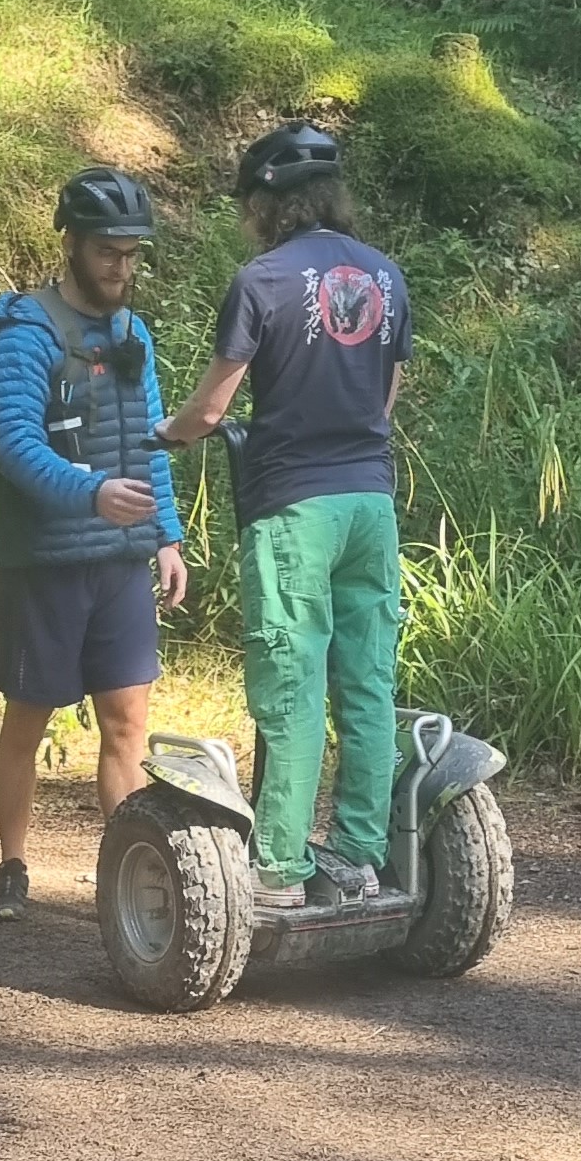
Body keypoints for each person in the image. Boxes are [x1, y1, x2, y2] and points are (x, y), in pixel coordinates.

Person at [155, 122, 411, 909]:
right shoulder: (387, 276)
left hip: (295, 504)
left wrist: (170, 432)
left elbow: (215, 403)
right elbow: (385, 398)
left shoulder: (263, 279)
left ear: (268, 202)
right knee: (367, 681)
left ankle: (280, 872)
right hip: (370, 500)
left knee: (292, 682)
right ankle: (363, 858)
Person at [0, 166, 188, 924]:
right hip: (46, 564)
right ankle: (10, 865)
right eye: (107, 252)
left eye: (132, 254)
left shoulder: (134, 334)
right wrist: (90, 491)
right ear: (70, 243)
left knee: (127, 724)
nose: (121, 269)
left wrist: (166, 536)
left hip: (122, 564)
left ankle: (123, 872)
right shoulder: (23, 336)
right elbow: (13, 447)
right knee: (27, 719)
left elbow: (150, 443)